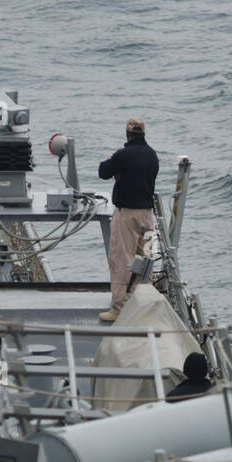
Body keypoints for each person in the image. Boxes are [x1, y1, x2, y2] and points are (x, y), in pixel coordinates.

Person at [98, 118, 159, 322]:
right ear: (143, 133)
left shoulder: (123, 155)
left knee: (122, 260)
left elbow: (103, 171)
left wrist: (118, 171)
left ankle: (119, 309)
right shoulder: (153, 155)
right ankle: (145, 305)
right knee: (146, 260)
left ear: (127, 134)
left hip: (127, 215)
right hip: (148, 216)